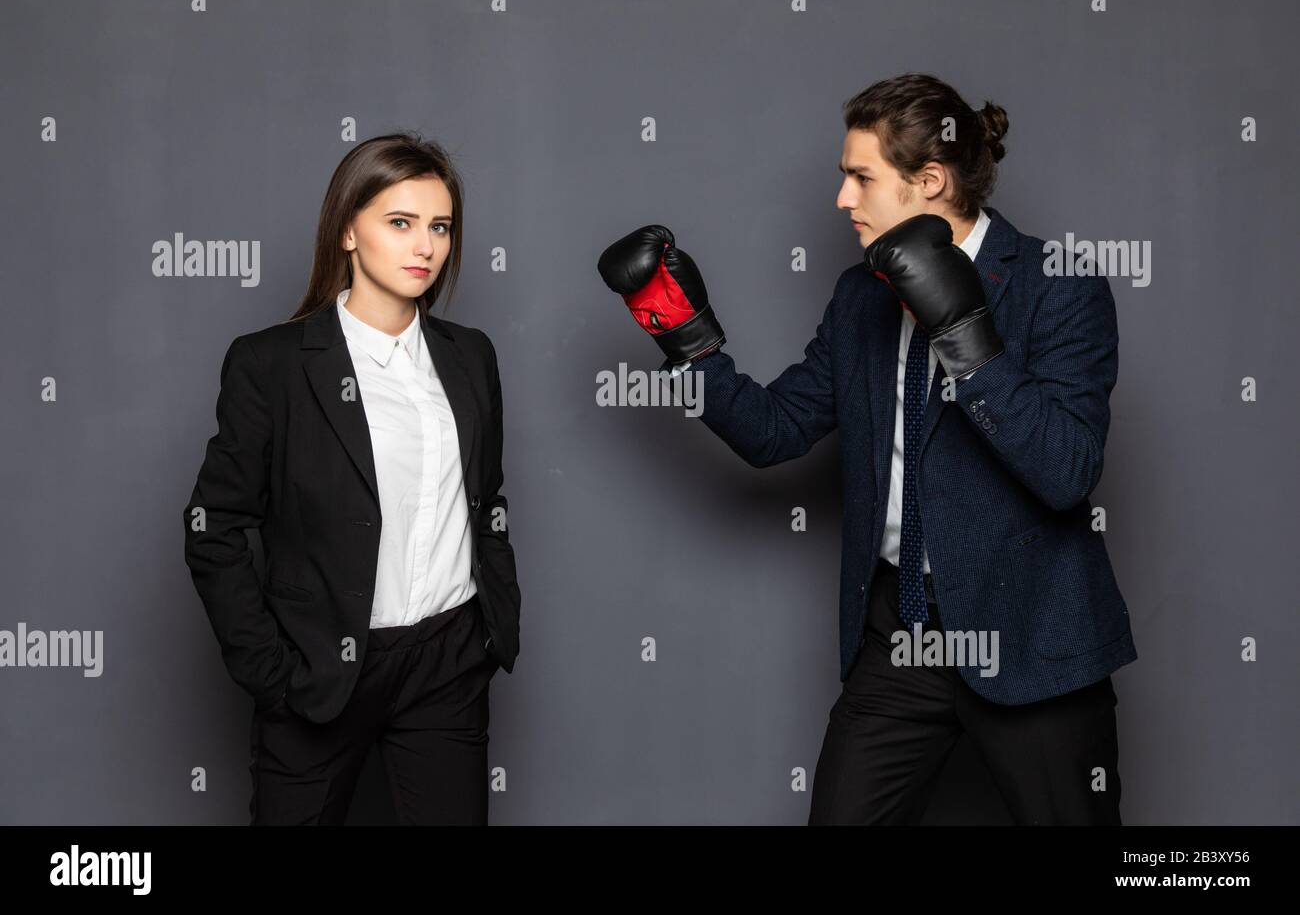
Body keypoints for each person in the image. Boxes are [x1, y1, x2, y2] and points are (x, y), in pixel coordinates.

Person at [598, 73, 1136, 825]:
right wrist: (684, 338)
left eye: (860, 177)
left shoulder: (1058, 285)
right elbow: (776, 430)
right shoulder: (862, 296)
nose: (842, 200)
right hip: (900, 636)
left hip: (1032, 639)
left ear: (931, 180)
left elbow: (1066, 473)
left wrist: (970, 346)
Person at [183, 132, 521, 825]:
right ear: (347, 231)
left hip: (447, 663)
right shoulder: (271, 365)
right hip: (323, 668)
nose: (424, 246)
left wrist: (492, 629)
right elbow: (213, 527)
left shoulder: (470, 357)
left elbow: (486, 500)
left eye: (439, 227)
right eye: (399, 223)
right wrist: (273, 675)